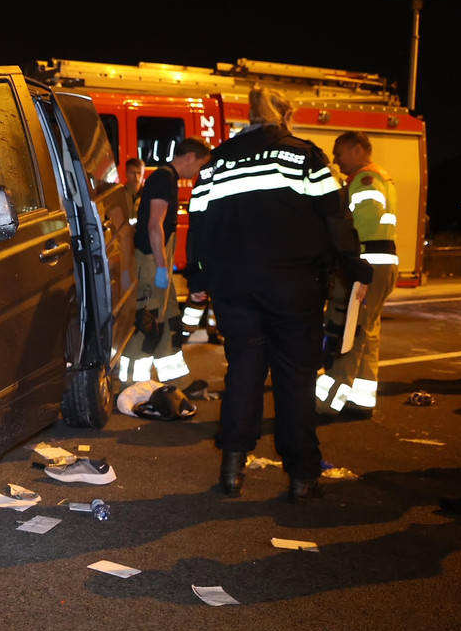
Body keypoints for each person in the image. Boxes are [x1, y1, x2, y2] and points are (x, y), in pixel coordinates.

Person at [185, 87, 371, 503]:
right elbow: (335, 215)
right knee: (295, 380)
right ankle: (303, 477)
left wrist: (196, 276)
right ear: (286, 116)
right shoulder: (303, 156)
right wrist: (353, 263)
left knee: (244, 374)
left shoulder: (219, 160)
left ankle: (232, 468)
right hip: (294, 286)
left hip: (234, 287)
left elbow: (198, 221)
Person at [316, 131, 398, 418]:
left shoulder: (364, 181)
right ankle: (361, 399)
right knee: (366, 330)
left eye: (339, 153)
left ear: (358, 149)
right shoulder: (381, 177)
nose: (336, 161)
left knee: (347, 330)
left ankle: (327, 403)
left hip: (364, 261)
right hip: (382, 261)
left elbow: (357, 226)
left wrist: (352, 264)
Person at [119, 138, 211, 385]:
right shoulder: (164, 179)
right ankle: (132, 384)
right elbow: (154, 226)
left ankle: (173, 381)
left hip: (157, 260)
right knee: (146, 321)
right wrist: (161, 266)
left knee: (166, 318)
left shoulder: (165, 178)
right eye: (201, 164)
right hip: (151, 262)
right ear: (190, 157)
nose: (199, 172)